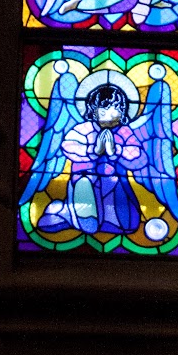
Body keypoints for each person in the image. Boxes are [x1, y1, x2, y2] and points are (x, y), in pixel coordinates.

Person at [38, 81, 145, 238]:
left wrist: (116, 151)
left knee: (129, 223)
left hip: (115, 183)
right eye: (103, 110)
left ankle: (66, 213)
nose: (109, 114)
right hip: (84, 178)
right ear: (93, 111)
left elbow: (139, 157)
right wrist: (92, 151)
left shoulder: (124, 132)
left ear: (123, 111)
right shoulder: (84, 128)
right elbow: (68, 146)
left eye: (115, 109)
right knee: (85, 182)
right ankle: (84, 215)